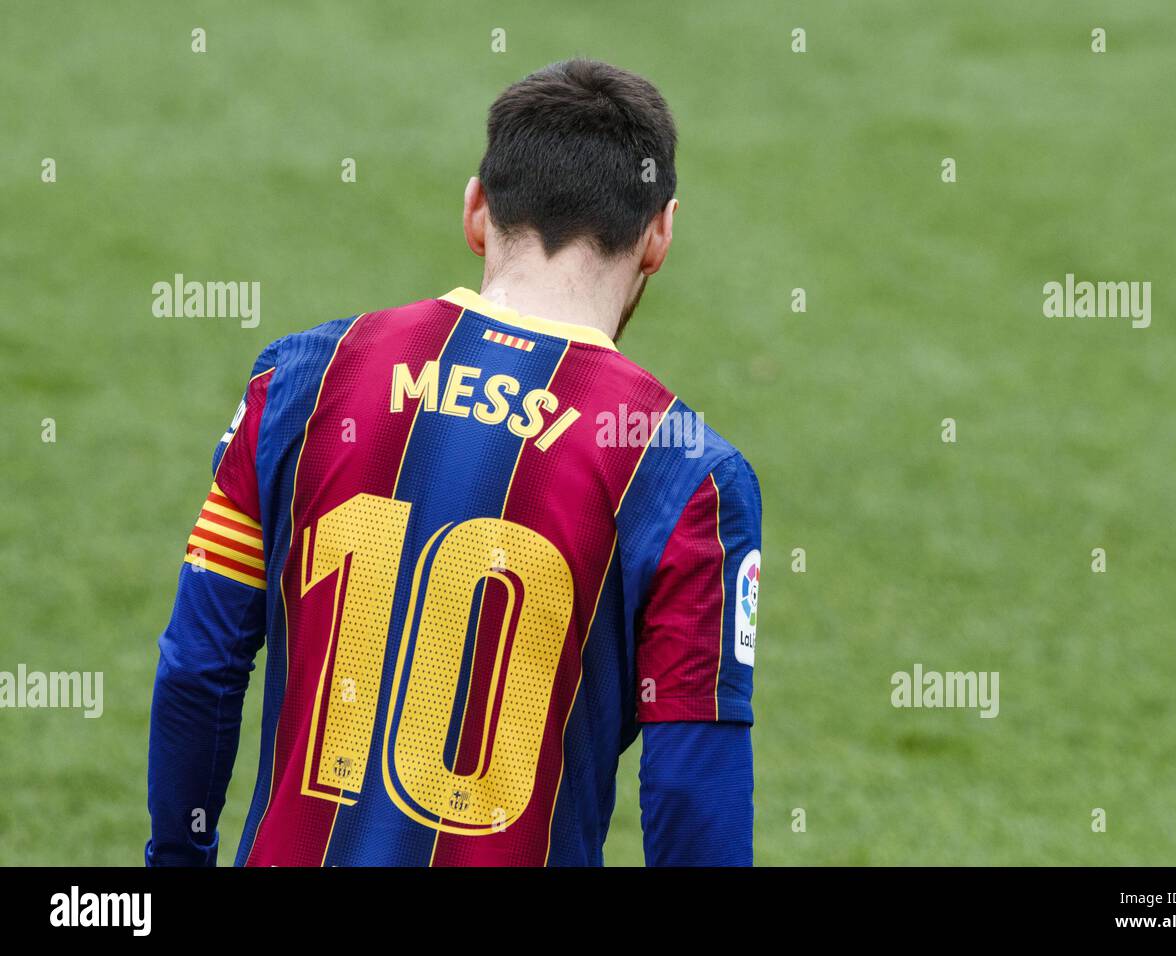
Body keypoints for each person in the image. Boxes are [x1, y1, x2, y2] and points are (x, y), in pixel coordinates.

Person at [147, 58, 761, 867]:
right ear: (659, 235)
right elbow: (690, 793)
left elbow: (199, 667)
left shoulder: (299, 382)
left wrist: (174, 862)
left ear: (477, 209)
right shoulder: (686, 475)